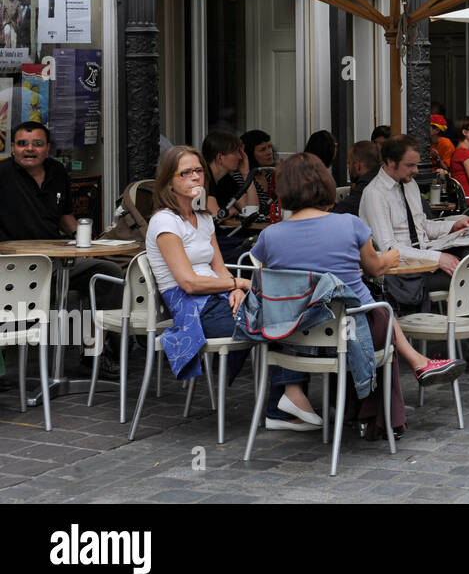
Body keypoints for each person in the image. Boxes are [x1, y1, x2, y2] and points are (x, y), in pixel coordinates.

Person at [250, 154, 464, 434]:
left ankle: (406, 371)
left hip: (297, 334)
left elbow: (269, 279)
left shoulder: (270, 235)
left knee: (375, 308)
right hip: (352, 328)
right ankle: (403, 384)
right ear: (325, 184)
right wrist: (390, 257)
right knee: (380, 309)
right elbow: (374, 268)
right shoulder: (349, 224)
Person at [359, 135, 469, 374]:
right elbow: (389, 248)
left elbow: (422, 227)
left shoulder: (409, 184)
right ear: (390, 162)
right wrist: (438, 259)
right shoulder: (374, 194)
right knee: (466, 279)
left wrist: (453, 226)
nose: (415, 170)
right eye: (410, 165)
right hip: (400, 273)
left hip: (424, 258)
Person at [0, 121, 123, 372]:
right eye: (22, 143)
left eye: (37, 143)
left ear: (48, 149)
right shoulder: (2, 174)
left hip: (56, 263)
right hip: (12, 268)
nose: (29, 149)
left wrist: (83, 239)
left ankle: (94, 352)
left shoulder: (57, 172)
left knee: (108, 273)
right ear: (12, 148)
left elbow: (66, 216)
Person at [146, 145, 254, 385]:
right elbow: (189, 283)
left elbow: (220, 270)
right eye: (185, 173)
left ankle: (285, 396)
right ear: (169, 182)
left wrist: (235, 290)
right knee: (272, 322)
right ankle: (284, 397)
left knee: (278, 317)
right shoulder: (164, 221)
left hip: (218, 298)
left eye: (198, 170)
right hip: (192, 309)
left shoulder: (204, 218)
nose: (195, 177)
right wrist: (238, 283)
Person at [333, 140, 381, 216]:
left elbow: (338, 213)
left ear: (358, 166)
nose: (348, 167)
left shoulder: (363, 188)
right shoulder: (381, 180)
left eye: (349, 163)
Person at [240, 129, 276, 214]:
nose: (269, 152)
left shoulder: (269, 174)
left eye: (269, 147)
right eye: (263, 149)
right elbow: (251, 211)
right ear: (250, 155)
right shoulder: (240, 177)